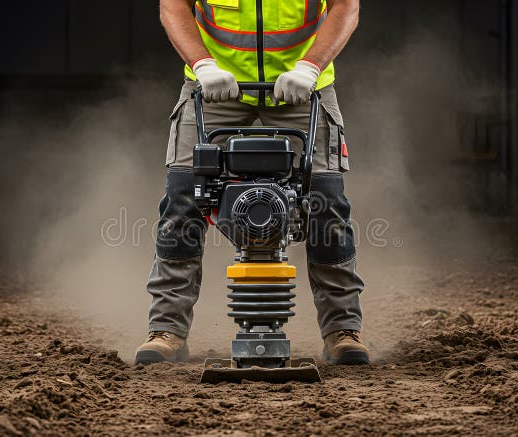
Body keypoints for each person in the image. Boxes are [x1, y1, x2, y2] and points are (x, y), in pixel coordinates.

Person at [136, 0, 369, 366]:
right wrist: (203, 64)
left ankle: (342, 330)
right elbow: (173, 6)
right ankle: (167, 330)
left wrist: (309, 68)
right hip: (215, 86)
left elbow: (345, 7)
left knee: (326, 201)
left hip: (303, 86)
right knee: (183, 196)